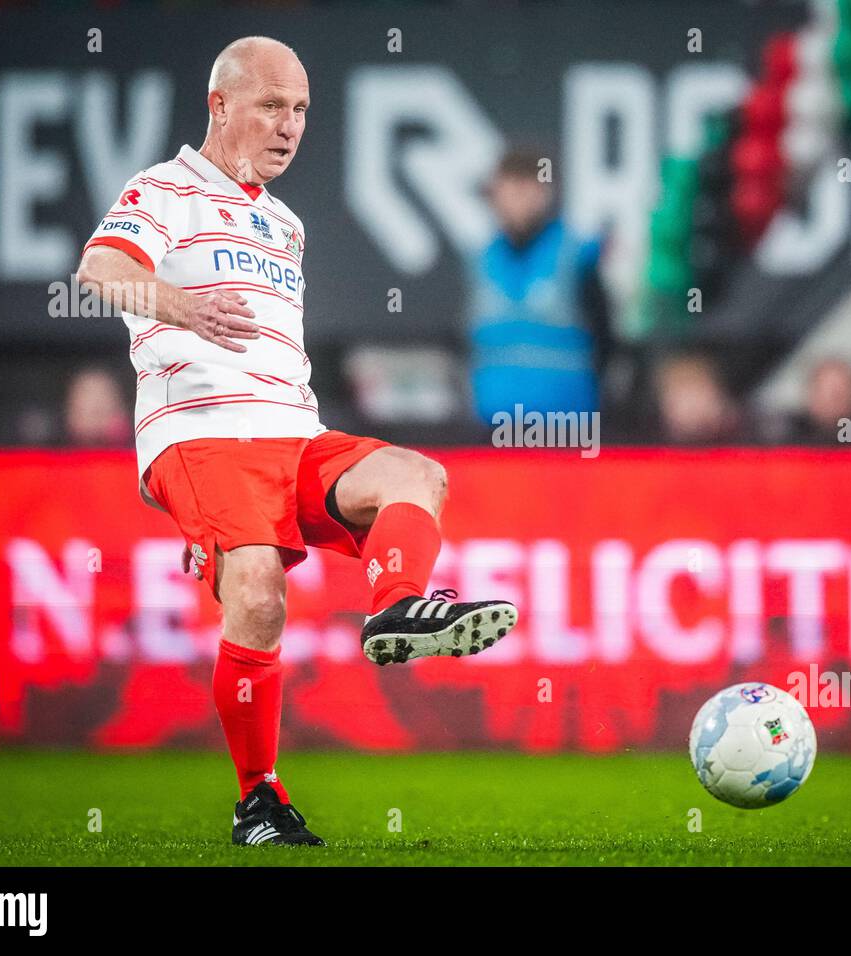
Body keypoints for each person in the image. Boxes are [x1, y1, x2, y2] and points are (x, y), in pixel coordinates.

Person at [76, 37, 518, 847]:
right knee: (257, 590)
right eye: (272, 105)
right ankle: (259, 804)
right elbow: (101, 268)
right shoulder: (165, 189)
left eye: (302, 110)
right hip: (202, 432)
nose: (290, 126)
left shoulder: (284, 223)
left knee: (416, 474)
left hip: (292, 432)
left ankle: (399, 608)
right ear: (219, 105)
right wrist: (183, 307)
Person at [466, 148, 610, 425]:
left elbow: (605, 337)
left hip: (566, 428)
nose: (518, 201)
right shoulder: (479, 260)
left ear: (546, 194)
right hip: (492, 427)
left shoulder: (576, 256)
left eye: (527, 189)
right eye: (510, 190)